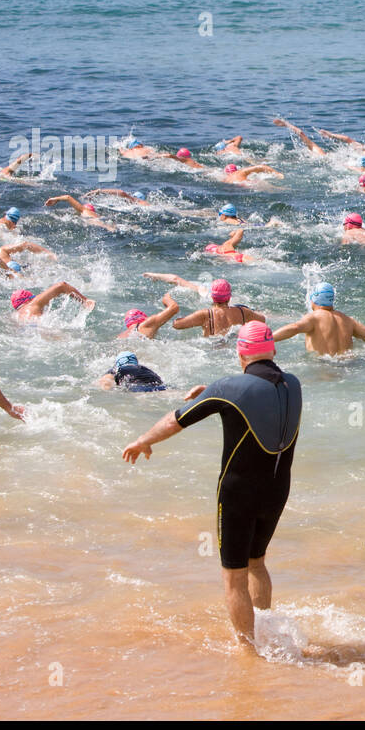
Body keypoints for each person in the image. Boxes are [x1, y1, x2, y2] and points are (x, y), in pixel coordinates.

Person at [121, 322, 302, 651]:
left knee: (234, 576)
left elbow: (176, 420)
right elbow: (258, 399)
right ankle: (265, 631)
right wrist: (214, 393)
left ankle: (249, 653)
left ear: (240, 353)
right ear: (272, 350)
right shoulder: (293, 384)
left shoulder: (229, 388)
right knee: (257, 562)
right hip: (277, 491)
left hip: (238, 494)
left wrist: (141, 440)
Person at [271, 282, 365, 356]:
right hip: (348, 365)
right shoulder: (348, 320)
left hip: (324, 366)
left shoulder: (314, 317)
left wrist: (268, 339)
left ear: (313, 299)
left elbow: (294, 328)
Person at [173, 279, 265, 337]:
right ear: (229, 297)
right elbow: (262, 319)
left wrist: (172, 308)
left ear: (212, 297)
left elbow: (177, 325)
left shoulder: (205, 314)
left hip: (212, 349)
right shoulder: (243, 311)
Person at [11, 282, 95, 321]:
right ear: (28, 300)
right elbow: (62, 285)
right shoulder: (32, 304)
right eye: (33, 297)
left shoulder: (16, 315)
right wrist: (85, 301)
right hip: (41, 331)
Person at [98, 351, 166, 392]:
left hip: (136, 387)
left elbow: (106, 381)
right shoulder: (146, 369)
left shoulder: (118, 369)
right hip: (156, 384)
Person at [44, 194, 113, 230]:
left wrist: (56, 199)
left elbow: (68, 197)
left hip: (97, 225)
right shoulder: (96, 215)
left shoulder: (84, 210)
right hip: (102, 225)